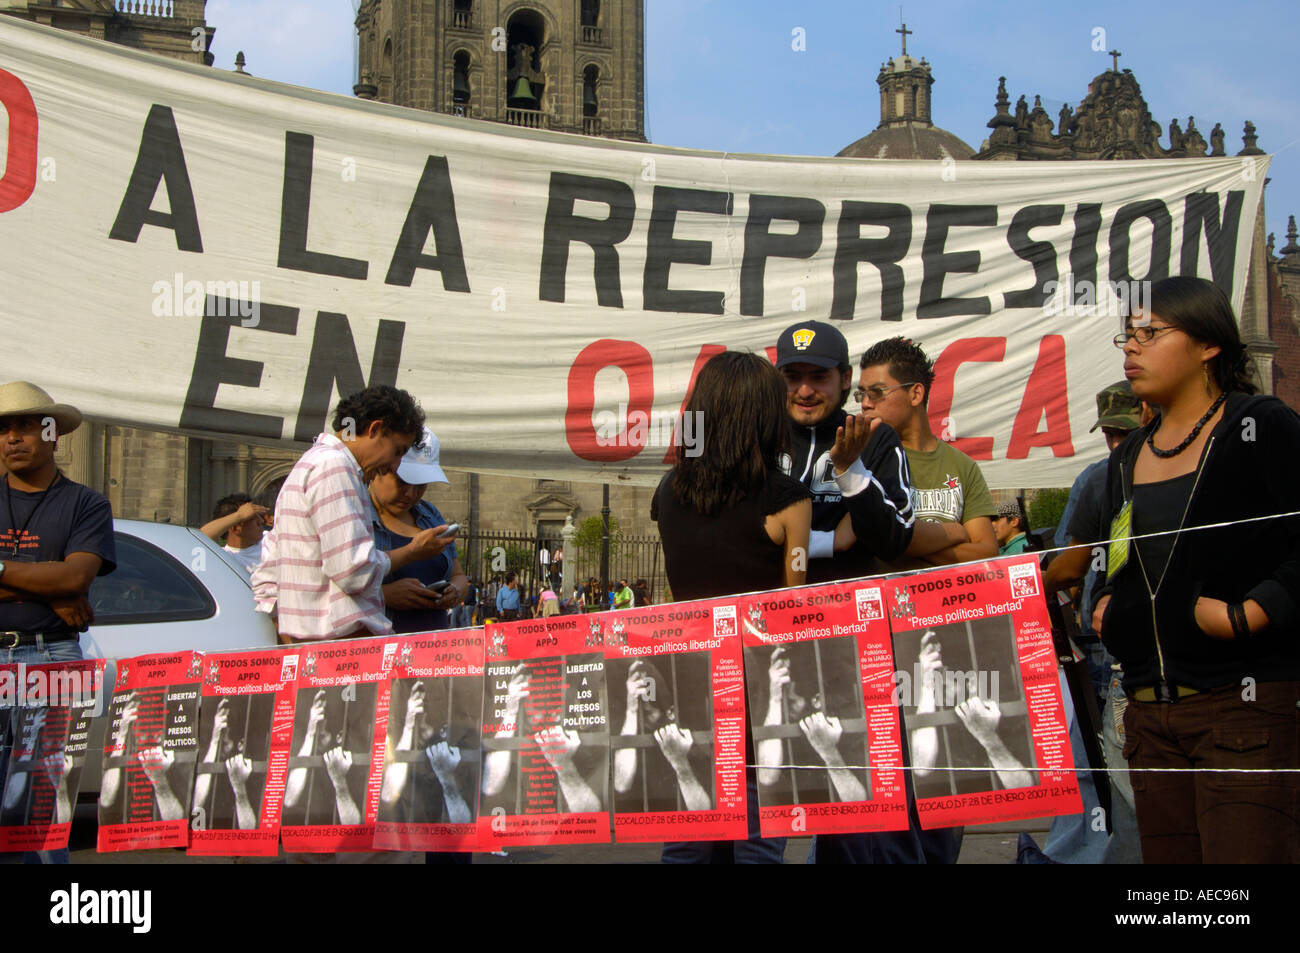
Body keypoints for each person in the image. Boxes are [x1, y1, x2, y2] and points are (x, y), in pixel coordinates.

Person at [1091, 275, 1300, 864]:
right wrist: (1113, 600)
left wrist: (1254, 611)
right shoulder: (1130, 454)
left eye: (1148, 334)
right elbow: (1126, 549)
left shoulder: (1259, 426)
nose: (1130, 348)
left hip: (1242, 709)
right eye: (1125, 337)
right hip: (1149, 715)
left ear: (1209, 345)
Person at [652, 350, 811, 863]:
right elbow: (794, 598)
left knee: (691, 837)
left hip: (688, 677)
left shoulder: (669, 491)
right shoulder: (786, 497)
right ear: (765, 415)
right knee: (758, 841)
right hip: (760, 686)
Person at [0, 382, 116, 865]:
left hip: (53, 655)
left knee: (45, 795)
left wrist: (61, 583)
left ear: (52, 435)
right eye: (3, 429)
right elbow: (62, 580)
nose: (13, 438)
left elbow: (76, 573)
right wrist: (49, 588)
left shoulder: (86, 503)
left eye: (26, 426)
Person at [251, 385, 454, 642]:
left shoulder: (313, 463)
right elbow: (353, 572)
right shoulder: (336, 467)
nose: (393, 465)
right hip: (340, 648)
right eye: (398, 451)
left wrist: (288, 632)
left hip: (317, 647)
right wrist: (413, 551)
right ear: (375, 429)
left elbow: (269, 568)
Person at [857, 337, 998, 569]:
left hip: (952, 601)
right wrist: (954, 531)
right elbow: (883, 537)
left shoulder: (963, 466)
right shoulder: (862, 459)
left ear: (915, 394)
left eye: (876, 392)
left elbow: (987, 553)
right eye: (861, 394)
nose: (865, 403)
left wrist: (907, 545)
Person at [371, 426, 468, 635]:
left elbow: (459, 575)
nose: (411, 493)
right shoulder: (356, 514)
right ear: (380, 468)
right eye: (403, 482)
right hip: (378, 651)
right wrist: (384, 595)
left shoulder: (428, 514)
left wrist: (455, 591)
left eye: (421, 485)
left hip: (432, 646)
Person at [199, 493, 270, 573]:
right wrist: (240, 515)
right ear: (236, 528)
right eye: (253, 517)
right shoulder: (225, 558)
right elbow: (199, 538)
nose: (261, 521)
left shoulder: (270, 540)